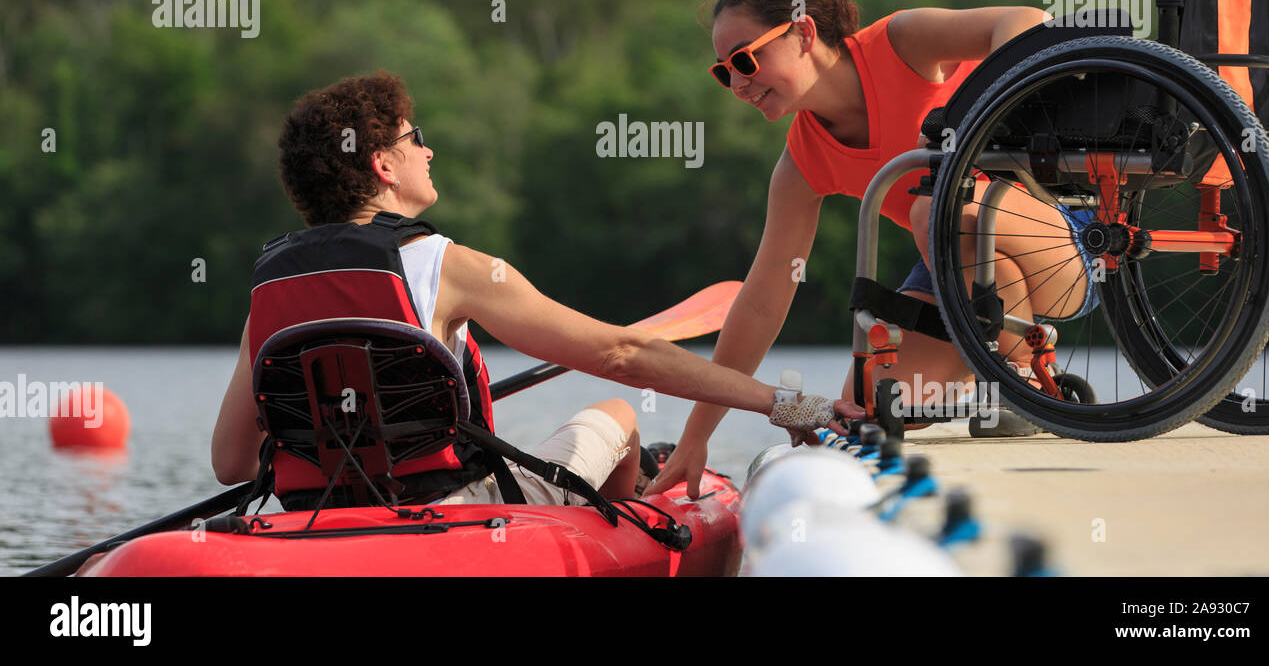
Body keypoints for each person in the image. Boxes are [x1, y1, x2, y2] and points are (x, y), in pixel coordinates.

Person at [211, 71, 861, 509]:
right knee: (619, 414)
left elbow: (231, 465)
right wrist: (791, 406)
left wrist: (337, 432)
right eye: (416, 139)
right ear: (382, 165)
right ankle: (623, 527)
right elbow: (624, 356)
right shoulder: (445, 265)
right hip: (455, 513)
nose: (428, 151)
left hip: (318, 521)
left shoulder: (268, 291)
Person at [648, 0, 1095, 499]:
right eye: (724, 73)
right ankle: (997, 361)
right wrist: (694, 440)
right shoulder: (799, 166)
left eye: (746, 59)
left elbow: (1025, 20)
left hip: (1070, 239)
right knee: (867, 406)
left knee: (935, 208)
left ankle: (1019, 373)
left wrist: (984, 123)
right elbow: (763, 302)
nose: (739, 82)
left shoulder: (901, 42)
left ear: (804, 33)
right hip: (955, 262)